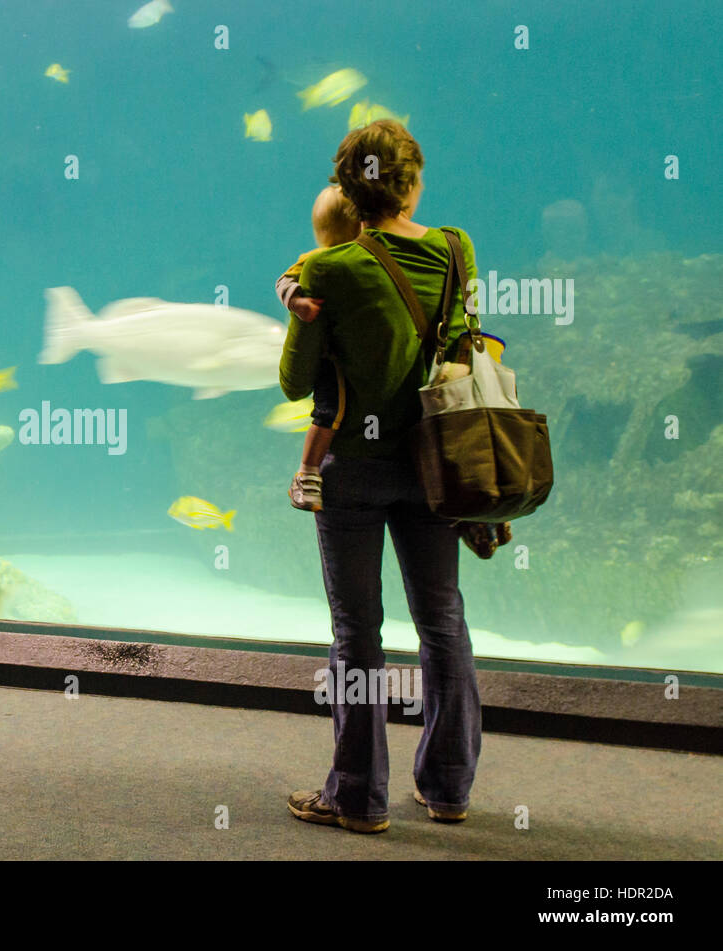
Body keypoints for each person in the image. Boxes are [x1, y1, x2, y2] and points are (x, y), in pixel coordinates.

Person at [277, 120, 481, 833]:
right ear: (413, 181)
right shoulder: (456, 248)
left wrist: (300, 308)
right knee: (443, 618)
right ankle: (449, 786)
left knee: (357, 633)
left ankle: (359, 798)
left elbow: (294, 382)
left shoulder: (327, 268)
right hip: (434, 463)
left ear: (348, 188)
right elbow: (462, 340)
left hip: (353, 472)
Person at [275, 185, 362, 512]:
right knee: (329, 412)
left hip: (358, 358)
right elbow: (282, 282)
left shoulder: (365, 258)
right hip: (332, 361)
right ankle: (308, 474)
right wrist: (297, 302)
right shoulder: (313, 261)